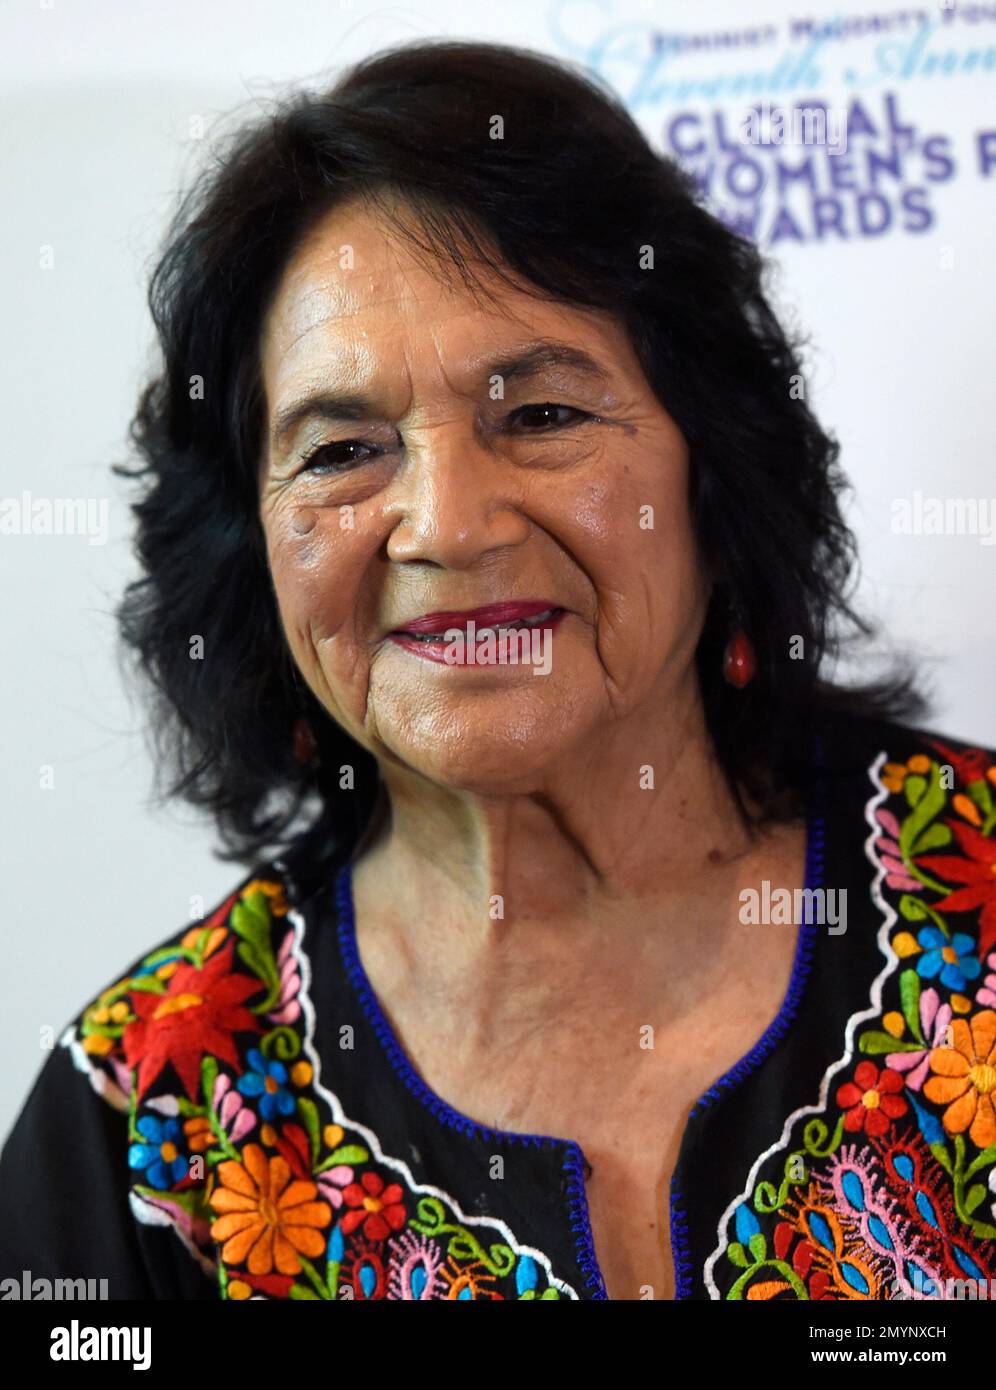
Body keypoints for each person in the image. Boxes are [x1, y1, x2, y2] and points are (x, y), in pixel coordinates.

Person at [2, 38, 994, 1303]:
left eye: (540, 416)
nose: (448, 524)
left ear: (714, 467)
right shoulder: (148, 1124)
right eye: (344, 450)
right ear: (252, 553)